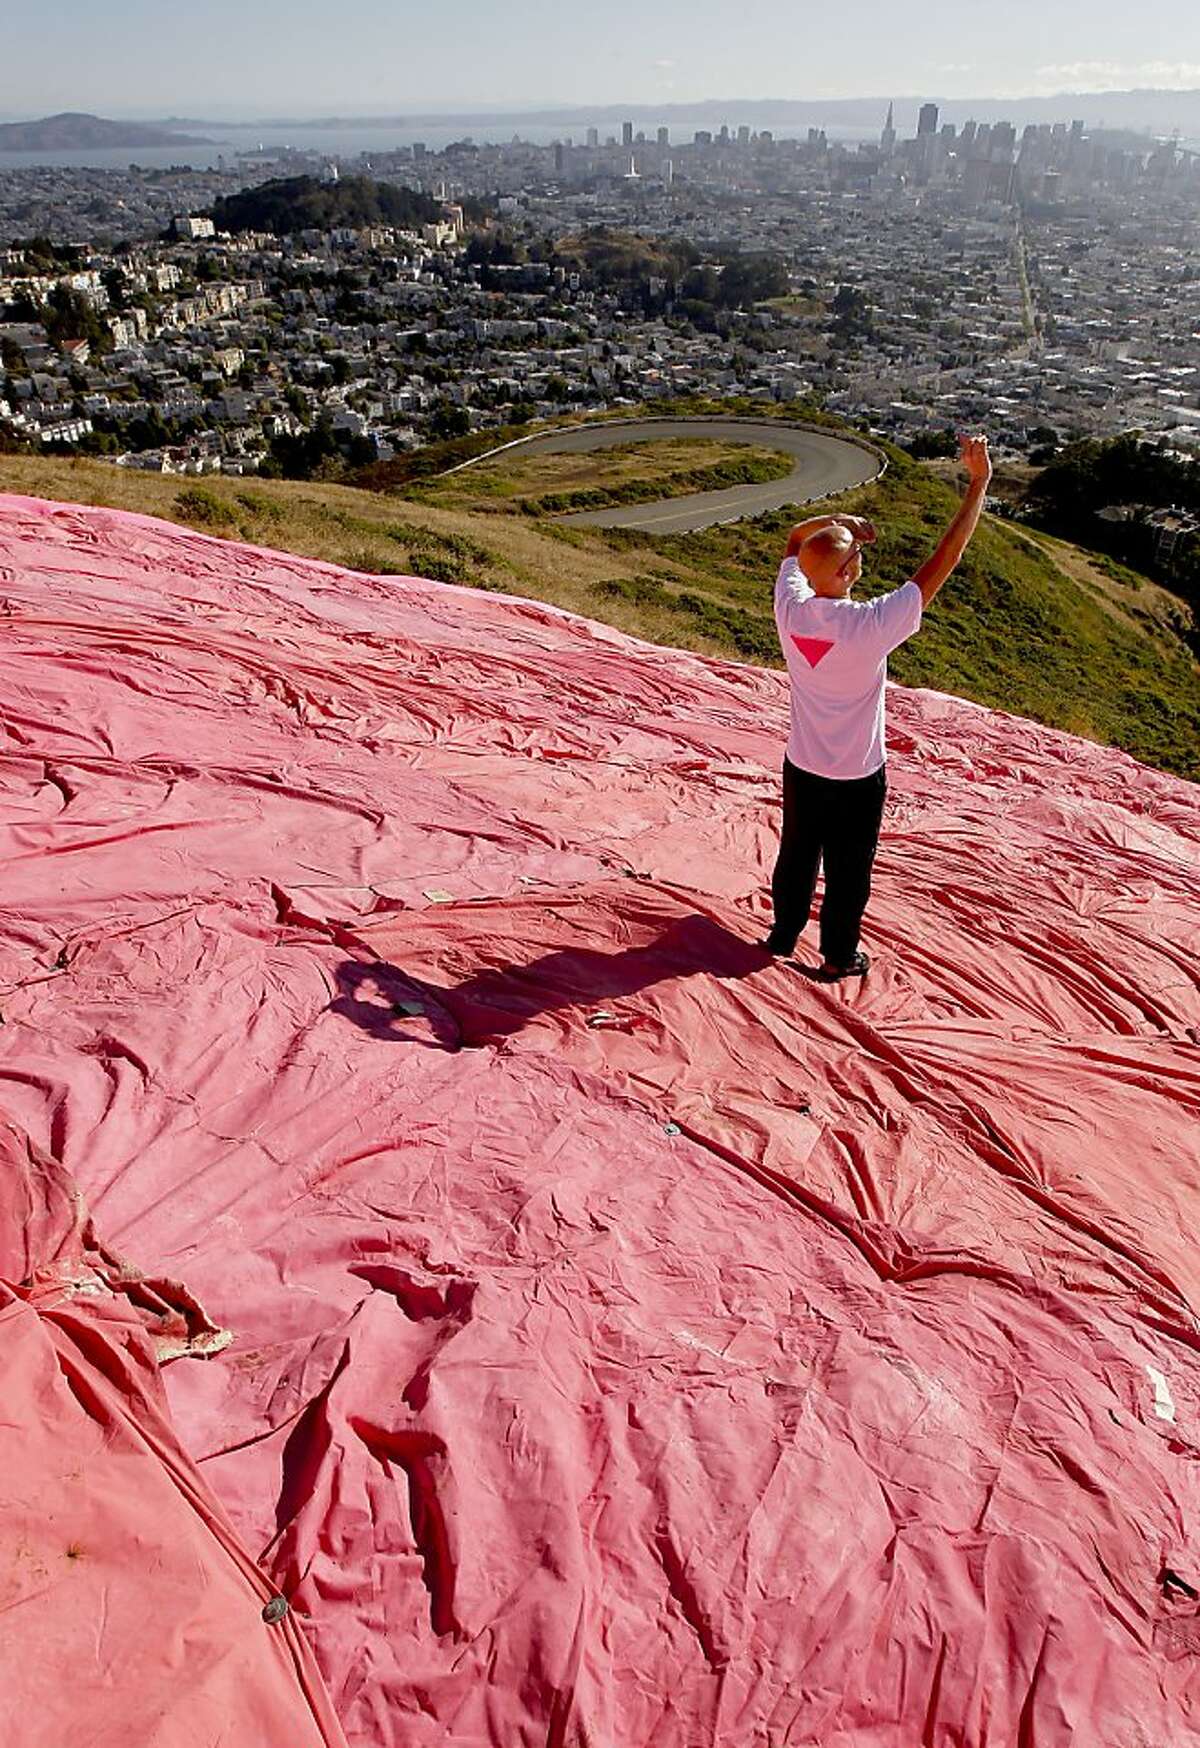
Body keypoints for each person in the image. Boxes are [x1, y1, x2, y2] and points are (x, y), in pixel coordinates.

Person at [763, 433, 992, 979]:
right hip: (857, 775)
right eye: (854, 555)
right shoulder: (869, 628)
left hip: (802, 764)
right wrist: (978, 483)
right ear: (847, 574)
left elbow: (795, 542)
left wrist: (835, 523)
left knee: (796, 856)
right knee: (850, 870)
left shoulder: (790, 609)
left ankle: (782, 934)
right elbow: (947, 558)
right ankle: (839, 954)